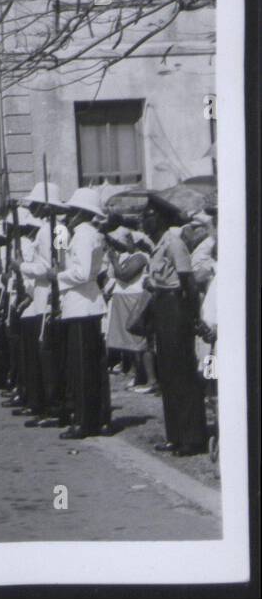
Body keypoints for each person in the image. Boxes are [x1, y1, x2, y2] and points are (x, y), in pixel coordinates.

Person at [141, 196, 207, 456]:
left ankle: (193, 438)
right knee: (168, 373)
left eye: (149, 215)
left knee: (182, 374)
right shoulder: (158, 245)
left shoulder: (174, 243)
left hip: (176, 310)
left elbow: (188, 283)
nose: (143, 220)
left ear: (161, 217)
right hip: (163, 308)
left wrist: (192, 318)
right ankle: (175, 435)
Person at [53, 188, 111, 439]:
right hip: (82, 305)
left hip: (83, 306)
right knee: (87, 367)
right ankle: (94, 417)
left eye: (72, 211)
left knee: (83, 369)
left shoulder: (85, 236)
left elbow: (84, 272)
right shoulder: (83, 234)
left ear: (80, 212)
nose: (69, 216)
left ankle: (85, 421)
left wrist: (57, 276)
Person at [13, 184, 68, 427]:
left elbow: (52, 269)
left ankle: (54, 408)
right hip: (41, 298)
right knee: (45, 355)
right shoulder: (55, 229)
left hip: (49, 298)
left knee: (49, 356)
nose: (32, 208)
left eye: (36, 204)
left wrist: (21, 266)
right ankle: (47, 405)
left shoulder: (52, 231)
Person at [102, 226, 154, 391]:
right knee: (130, 344)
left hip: (134, 300)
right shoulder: (127, 256)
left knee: (140, 342)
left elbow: (124, 275)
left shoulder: (141, 257)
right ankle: (139, 376)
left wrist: (114, 261)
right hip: (123, 299)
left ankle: (151, 380)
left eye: (129, 240)